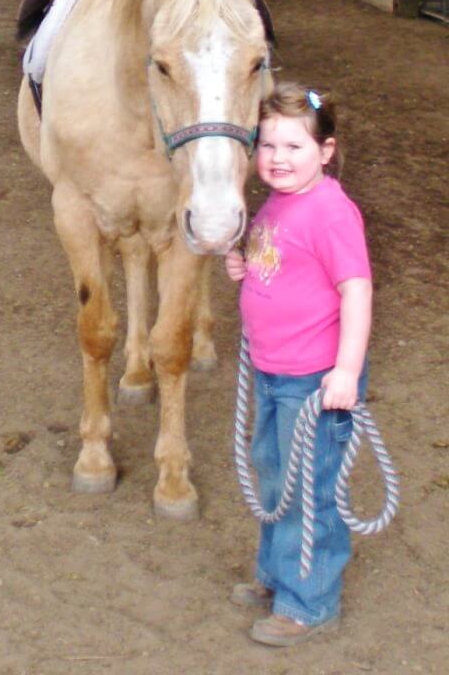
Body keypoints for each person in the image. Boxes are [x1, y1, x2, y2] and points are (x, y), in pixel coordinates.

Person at [225, 82, 372, 647]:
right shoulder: (279, 201)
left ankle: (309, 602)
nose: (278, 159)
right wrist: (247, 266)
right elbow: (282, 263)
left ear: (326, 152)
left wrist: (345, 370)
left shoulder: (330, 211)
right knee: (275, 474)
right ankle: (277, 573)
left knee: (309, 488)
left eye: (294, 148)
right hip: (272, 370)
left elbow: (355, 289)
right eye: (267, 146)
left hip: (314, 380)